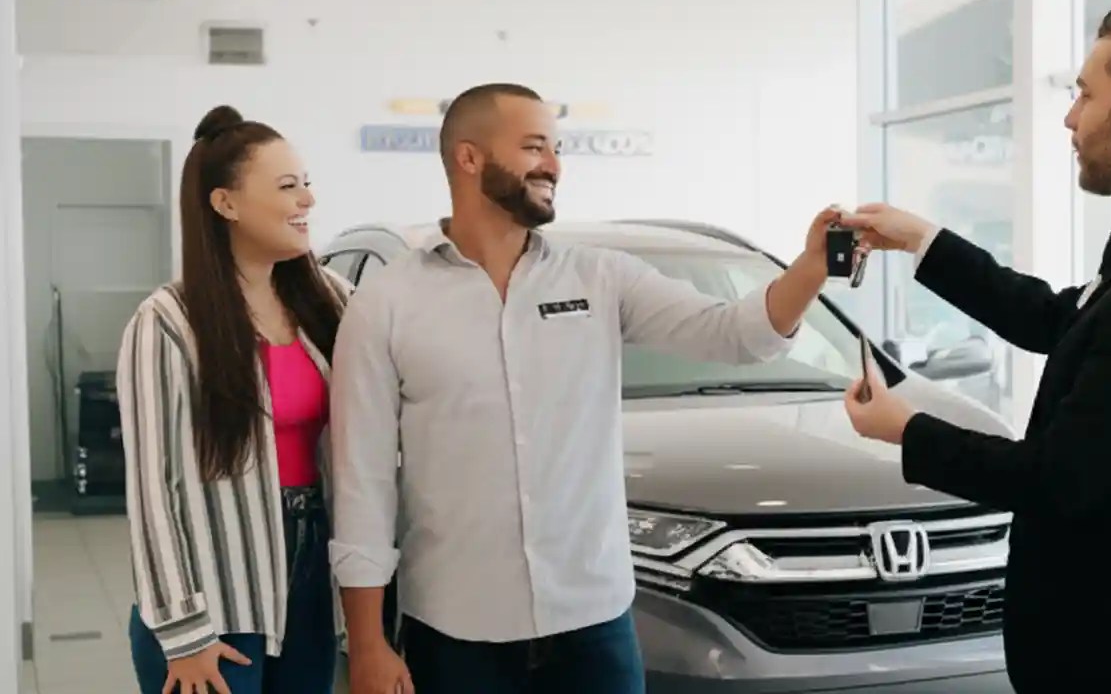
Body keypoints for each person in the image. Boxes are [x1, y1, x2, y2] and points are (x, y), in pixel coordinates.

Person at [329, 82, 844, 694]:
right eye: (533, 146)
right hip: (454, 629)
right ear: (469, 158)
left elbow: (735, 334)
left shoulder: (600, 277)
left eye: (557, 148)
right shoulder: (388, 301)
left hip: (593, 626)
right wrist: (367, 643)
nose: (553, 164)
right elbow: (362, 483)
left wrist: (812, 266)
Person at [842, 0, 1111, 694]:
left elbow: (1056, 478)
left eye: (1084, 94)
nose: (1070, 117)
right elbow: (1057, 318)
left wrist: (907, 429)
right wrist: (922, 240)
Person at [117, 105, 351, 694]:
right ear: (225, 204)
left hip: (312, 573)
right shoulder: (168, 321)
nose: (308, 200)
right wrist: (183, 633)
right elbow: (152, 489)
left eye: (306, 184)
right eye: (288, 186)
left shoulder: (329, 299)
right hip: (216, 591)